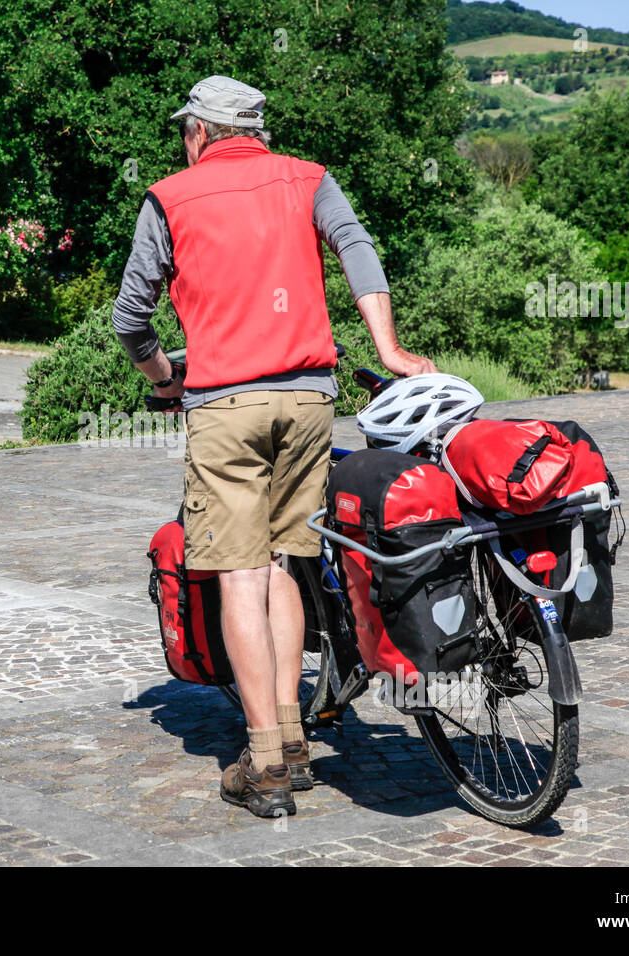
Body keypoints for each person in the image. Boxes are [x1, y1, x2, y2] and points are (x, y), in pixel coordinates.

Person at [112, 76, 436, 818]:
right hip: (311, 398)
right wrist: (387, 347)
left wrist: (165, 379)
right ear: (255, 131)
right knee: (290, 564)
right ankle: (293, 739)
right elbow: (357, 247)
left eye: (184, 131)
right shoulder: (309, 178)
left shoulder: (170, 198)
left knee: (238, 575)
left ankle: (263, 762)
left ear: (199, 132)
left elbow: (131, 317)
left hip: (225, 403)